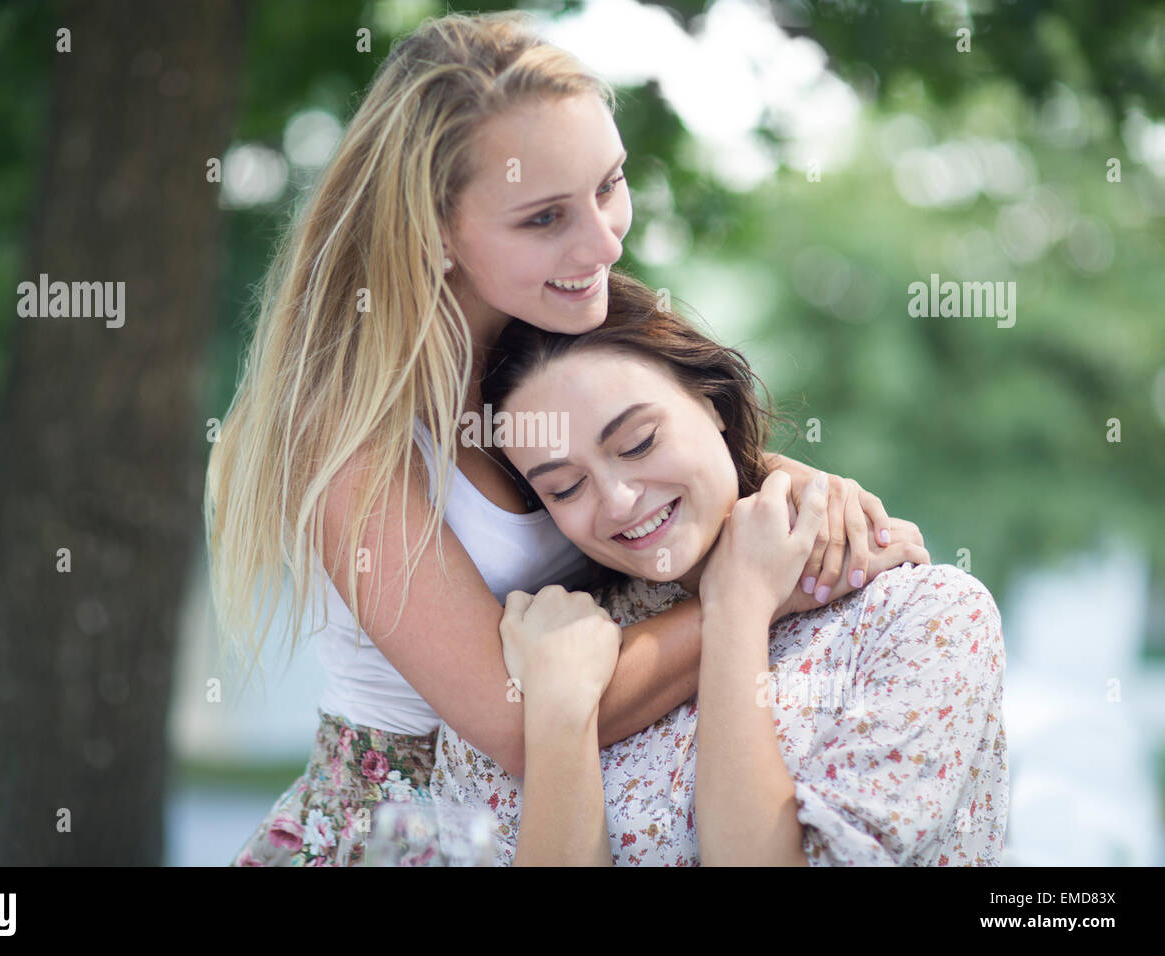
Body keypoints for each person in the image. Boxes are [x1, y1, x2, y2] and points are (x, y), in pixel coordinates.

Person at [211, 10, 915, 867]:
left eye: (610, 184)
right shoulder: (351, 435)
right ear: (433, 231)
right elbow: (517, 717)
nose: (604, 239)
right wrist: (755, 596)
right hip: (409, 833)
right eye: (545, 217)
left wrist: (809, 503)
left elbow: (703, 467)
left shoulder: (563, 322)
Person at [430, 281, 1009, 866]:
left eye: (638, 443)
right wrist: (560, 712)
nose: (619, 501)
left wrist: (739, 603)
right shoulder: (541, 654)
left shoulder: (921, 617)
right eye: (566, 487)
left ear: (712, 401)